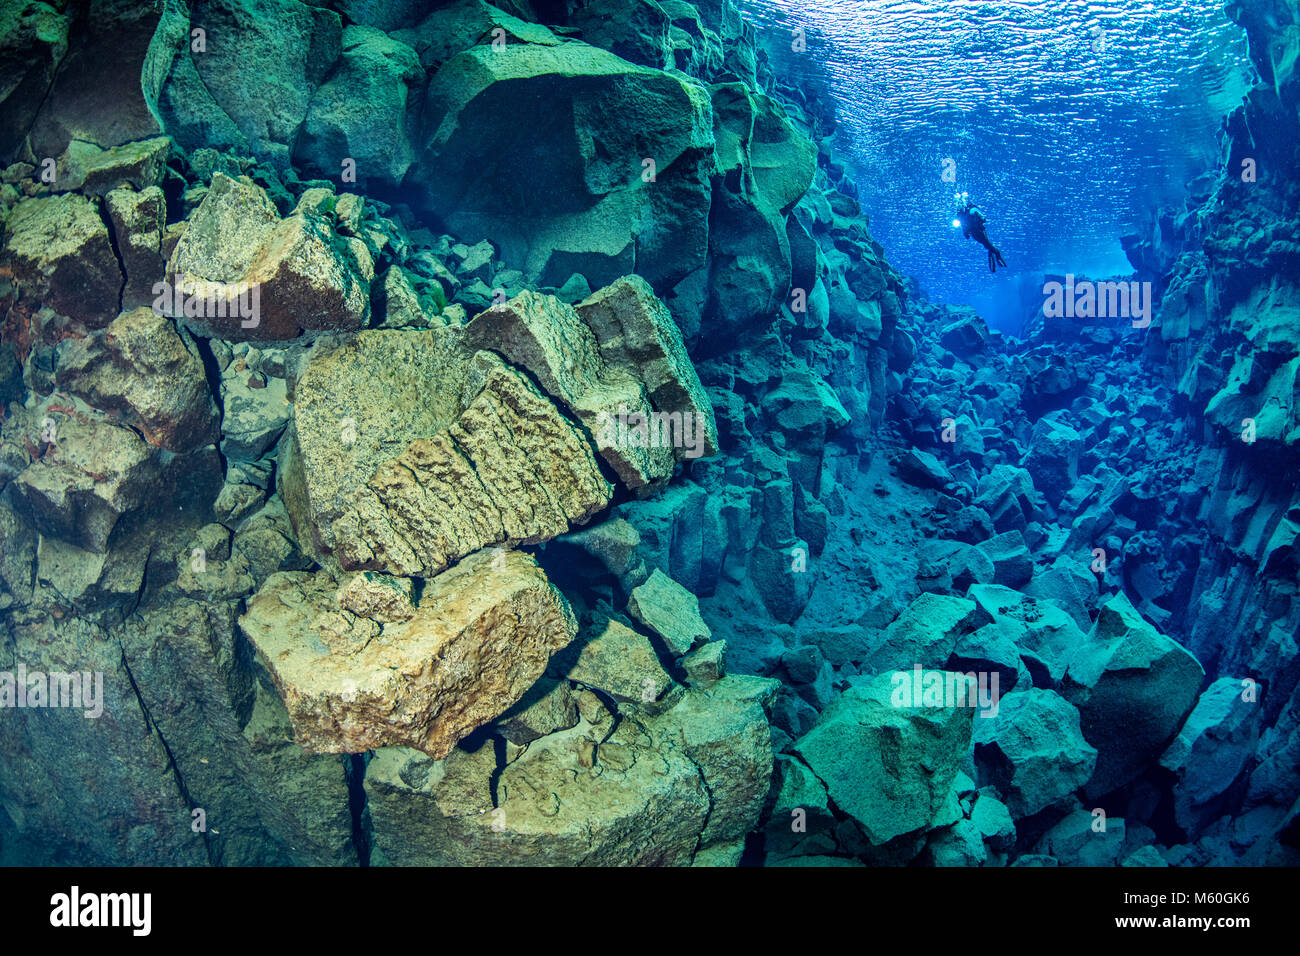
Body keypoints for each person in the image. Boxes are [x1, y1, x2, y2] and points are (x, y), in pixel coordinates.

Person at [953, 192, 1008, 273]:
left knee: (987, 244)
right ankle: (996, 257)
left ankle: (997, 256)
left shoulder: (972, 210)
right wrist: (965, 233)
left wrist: (976, 224)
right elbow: (963, 226)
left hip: (979, 231)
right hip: (974, 233)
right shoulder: (961, 215)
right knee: (986, 245)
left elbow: (982, 218)